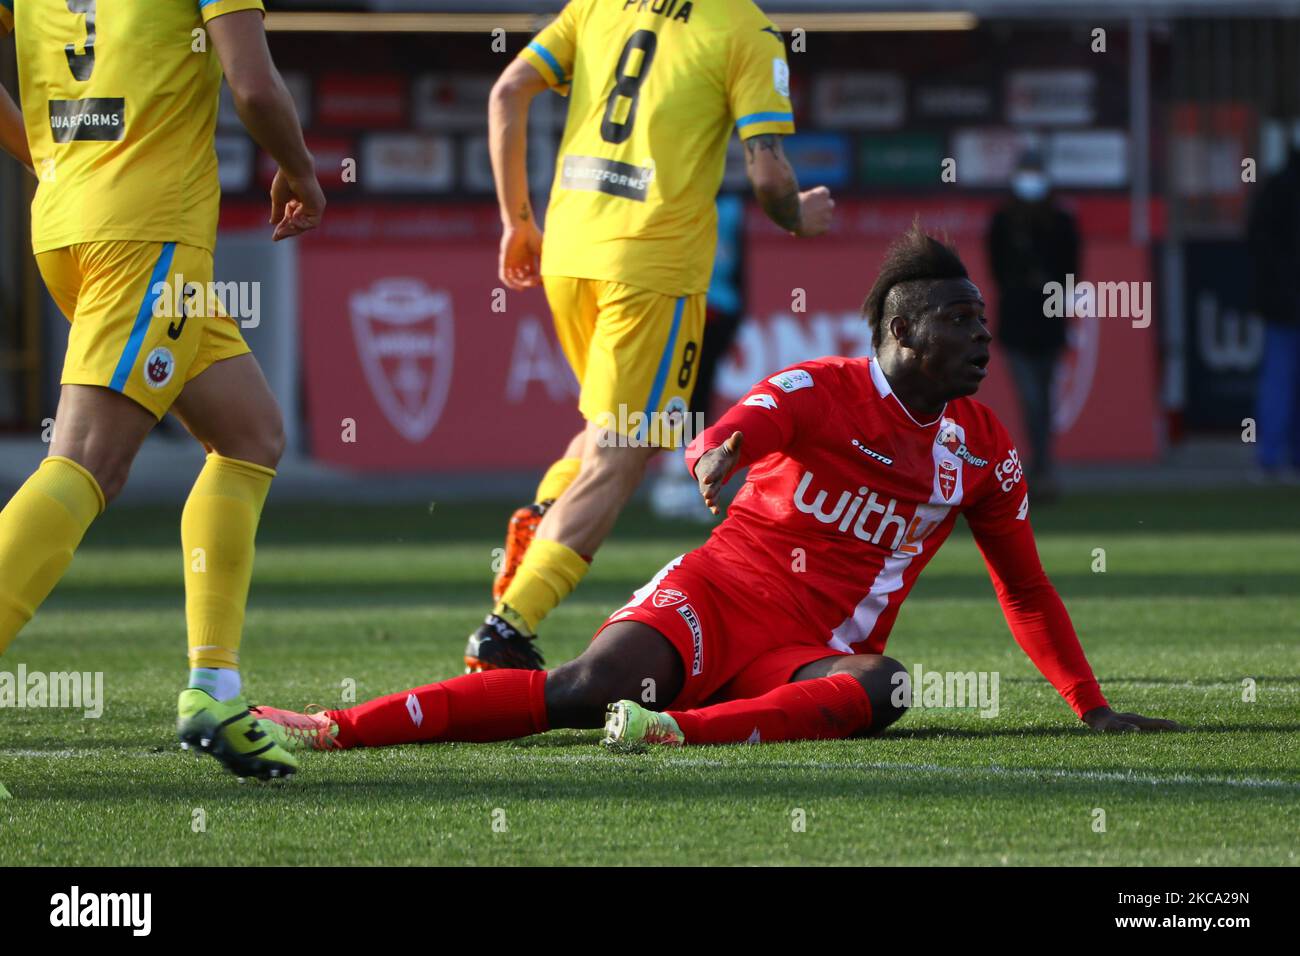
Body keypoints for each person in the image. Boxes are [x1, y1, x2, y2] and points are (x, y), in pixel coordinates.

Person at [251, 225, 1178, 754]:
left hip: (808, 654)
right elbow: (749, 421)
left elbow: (1023, 586)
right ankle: (334, 727)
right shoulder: (827, 387)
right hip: (717, 598)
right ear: (899, 330)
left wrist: (1089, 705)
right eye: (959, 320)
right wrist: (718, 453)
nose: (981, 338)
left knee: (886, 686)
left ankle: (675, 734)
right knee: (577, 688)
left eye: (983, 322)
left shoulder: (982, 450)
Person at [0, 0, 325, 782]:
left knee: (250, 433)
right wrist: (303, 172)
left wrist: (46, 159)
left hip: (69, 224)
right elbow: (253, 86)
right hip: (149, 236)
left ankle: (214, 689)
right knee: (84, 464)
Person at [473, 0, 834, 672]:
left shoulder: (600, 5)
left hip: (570, 253)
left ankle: (544, 514)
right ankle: (508, 627)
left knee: (604, 430)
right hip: (650, 266)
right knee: (626, 452)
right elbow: (767, 170)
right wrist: (798, 217)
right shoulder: (744, 30)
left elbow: (507, 91)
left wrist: (514, 219)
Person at [986, 149, 1078, 500]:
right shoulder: (1003, 221)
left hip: (1050, 323)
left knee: (1043, 396)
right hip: (1016, 324)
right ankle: (1039, 464)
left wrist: (1048, 288)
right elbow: (996, 270)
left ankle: (1042, 464)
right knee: (1031, 399)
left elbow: (1073, 270)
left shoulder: (1061, 221)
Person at [1246, 142, 1300, 479]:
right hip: (1284, 304)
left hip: (1281, 303)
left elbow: (1256, 240)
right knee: (1280, 380)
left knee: (1279, 379)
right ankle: (1273, 455)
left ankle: (1272, 456)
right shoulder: (1278, 188)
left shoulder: (1275, 186)